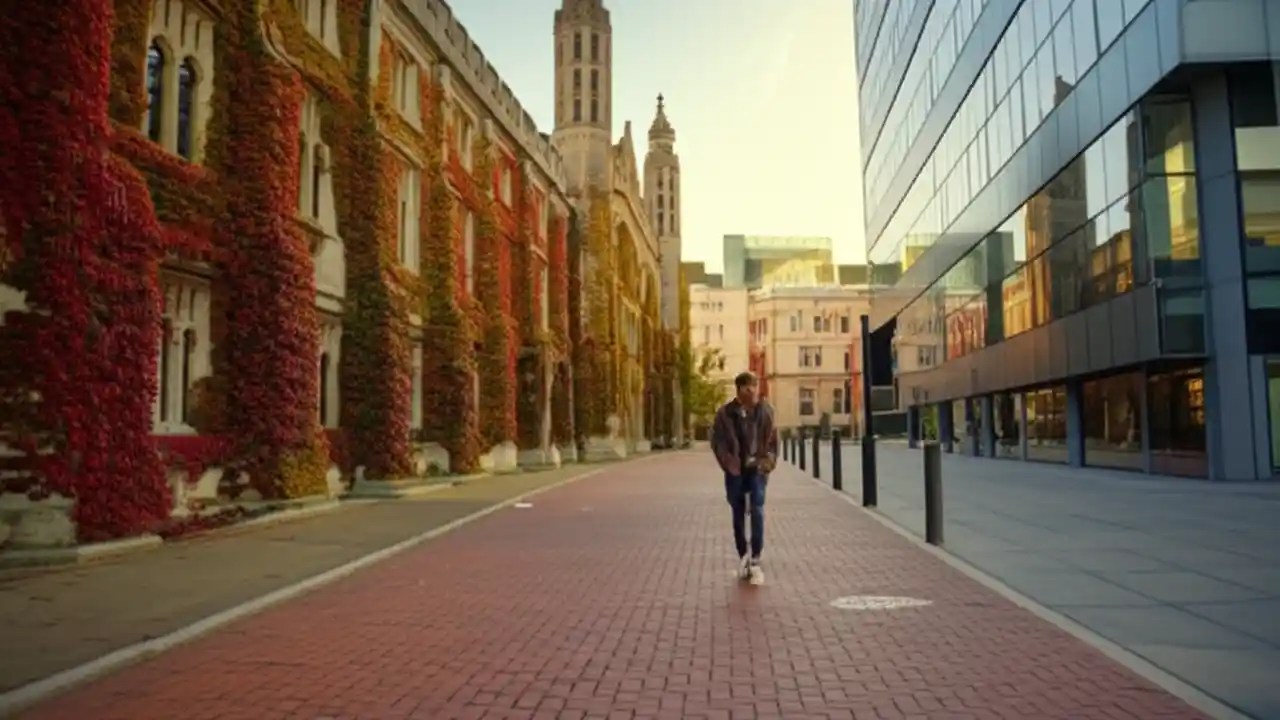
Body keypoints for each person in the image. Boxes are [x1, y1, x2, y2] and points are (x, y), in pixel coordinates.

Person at [710, 371, 778, 585]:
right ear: (739, 390)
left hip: (757, 468)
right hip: (736, 470)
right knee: (738, 511)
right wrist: (728, 463)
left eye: (754, 387)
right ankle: (743, 553)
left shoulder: (765, 411)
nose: (753, 392)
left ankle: (756, 554)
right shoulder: (725, 414)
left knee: (757, 507)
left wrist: (767, 462)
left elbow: (773, 440)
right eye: (748, 388)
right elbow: (718, 442)